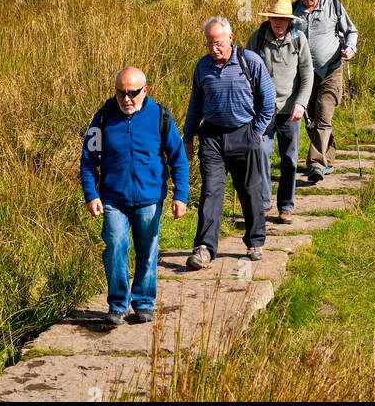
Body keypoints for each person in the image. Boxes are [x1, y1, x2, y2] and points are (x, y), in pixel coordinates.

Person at [80, 66, 189, 326]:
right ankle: (117, 305)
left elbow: (178, 159)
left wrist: (180, 195)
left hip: (149, 198)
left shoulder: (160, 117)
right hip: (112, 199)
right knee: (116, 245)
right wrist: (91, 195)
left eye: (132, 93)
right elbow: (88, 160)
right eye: (121, 93)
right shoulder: (104, 117)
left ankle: (143, 303)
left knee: (147, 251)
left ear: (145, 91)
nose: (126, 99)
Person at [182, 16, 275, 269]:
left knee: (249, 190)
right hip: (211, 137)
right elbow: (195, 105)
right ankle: (204, 249)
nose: (214, 48)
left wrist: (255, 131)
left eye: (219, 43)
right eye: (210, 43)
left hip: (244, 133)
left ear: (230, 39)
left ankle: (255, 241)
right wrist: (187, 136)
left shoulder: (250, 62)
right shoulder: (202, 67)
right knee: (211, 191)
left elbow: (268, 102)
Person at [247, 0, 313, 223]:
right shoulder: (256, 40)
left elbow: (307, 75)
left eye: (282, 19)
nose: (278, 23)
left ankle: (286, 206)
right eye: (274, 18)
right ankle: (264, 203)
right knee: (262, 154)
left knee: (289, 159)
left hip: (290, 110)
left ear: (289, 21)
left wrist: (301, 103)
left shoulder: (298, 39)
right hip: (263, 112)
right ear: (269, 18)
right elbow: (246, 75)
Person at [292, 0, 358, 184]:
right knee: (311, 120)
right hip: (304, 75)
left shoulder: (334, 7)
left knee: (323, 114)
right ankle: (327, 157)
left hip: (331, 70)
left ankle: (315, 165)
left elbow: (351, 31)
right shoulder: (294, 10)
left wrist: (350, 48)